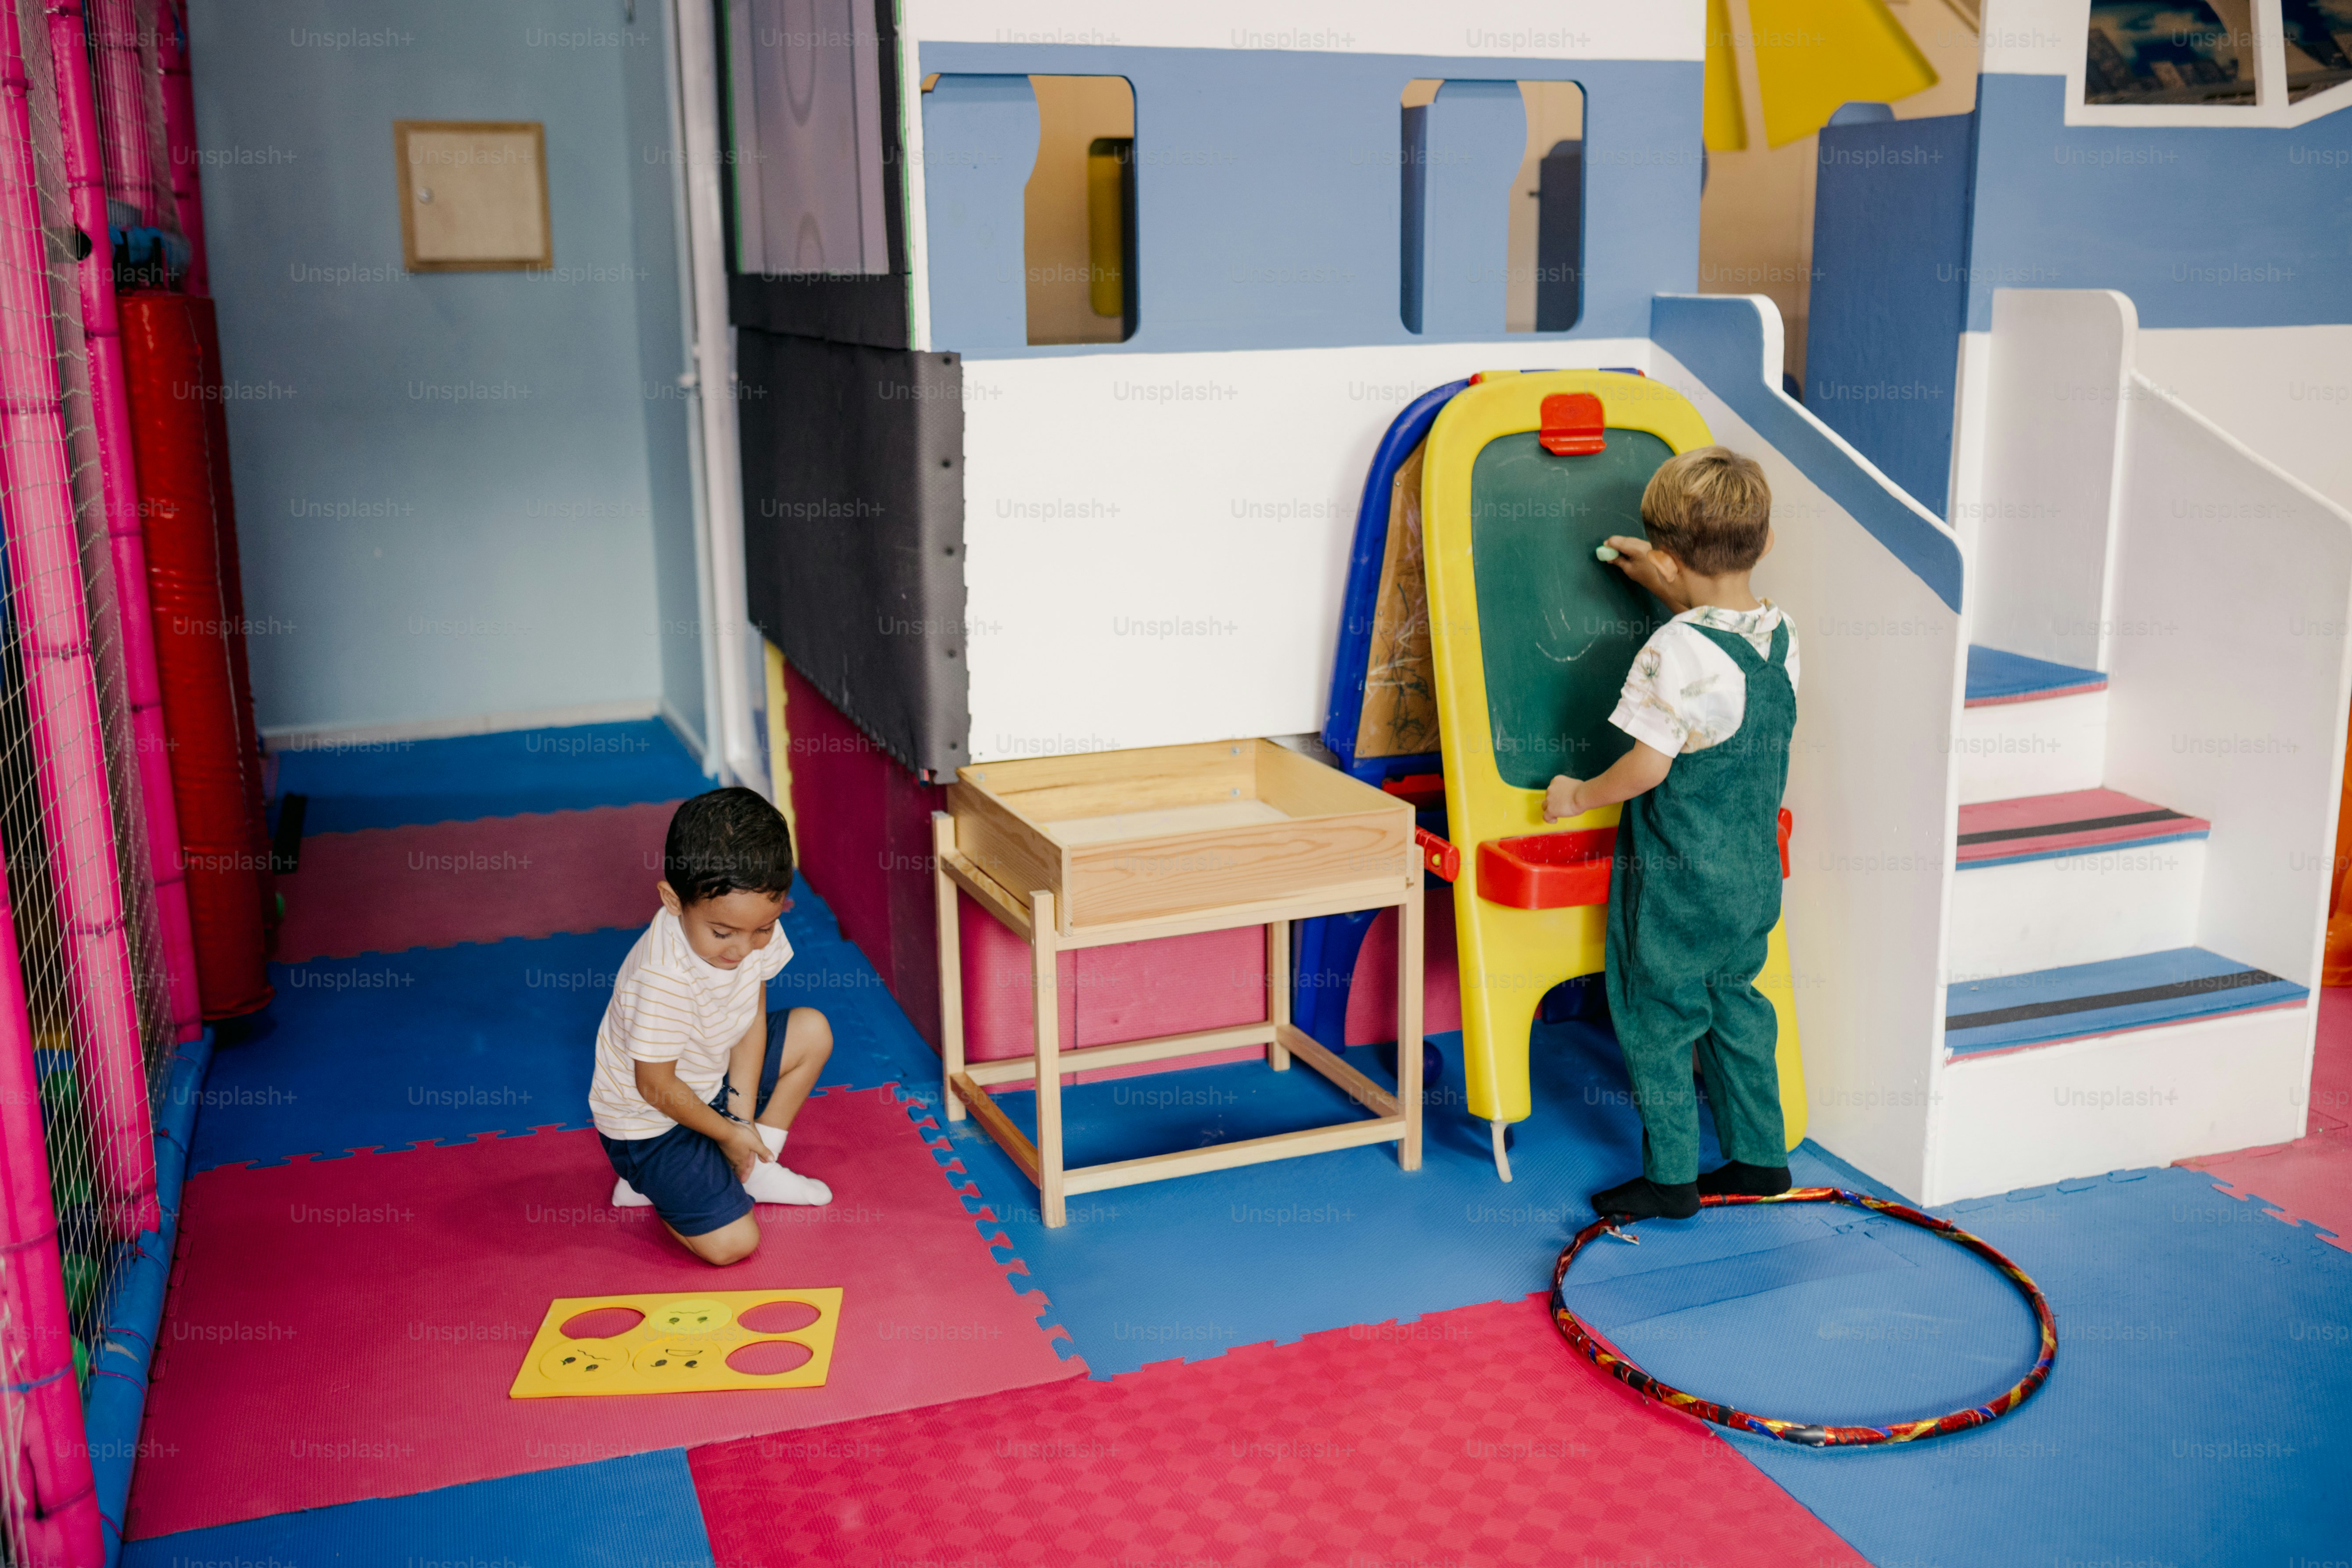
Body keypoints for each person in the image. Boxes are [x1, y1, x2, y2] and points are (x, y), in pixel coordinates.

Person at [1543, 446, 1797, 1221]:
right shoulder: (1779, 633)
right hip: (1752, 875)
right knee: (1736, 1005)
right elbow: (1712, 683)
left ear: (1665, 555)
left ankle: (1670, 1178)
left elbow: (1649, 767)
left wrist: (1578, 793)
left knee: (1658, 1014)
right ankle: (1760, 1158)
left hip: (1679, 878)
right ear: (1764, 542)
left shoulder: (1669, 649)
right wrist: (1664, 578)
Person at [587, 787, 834, 1264]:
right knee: (733, 1245)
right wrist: (724, 1133)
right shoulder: (661, 977)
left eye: (762, 929)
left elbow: (749, 1018)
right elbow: (654, 1084)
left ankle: (757, 1167)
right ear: (673, 899)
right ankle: (651, 1184)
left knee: (812, 1031)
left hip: (711, 1081)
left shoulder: (750, 917)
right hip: (651, 1122)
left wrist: (740, 1123)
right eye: (723, 933)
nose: (743, 949)